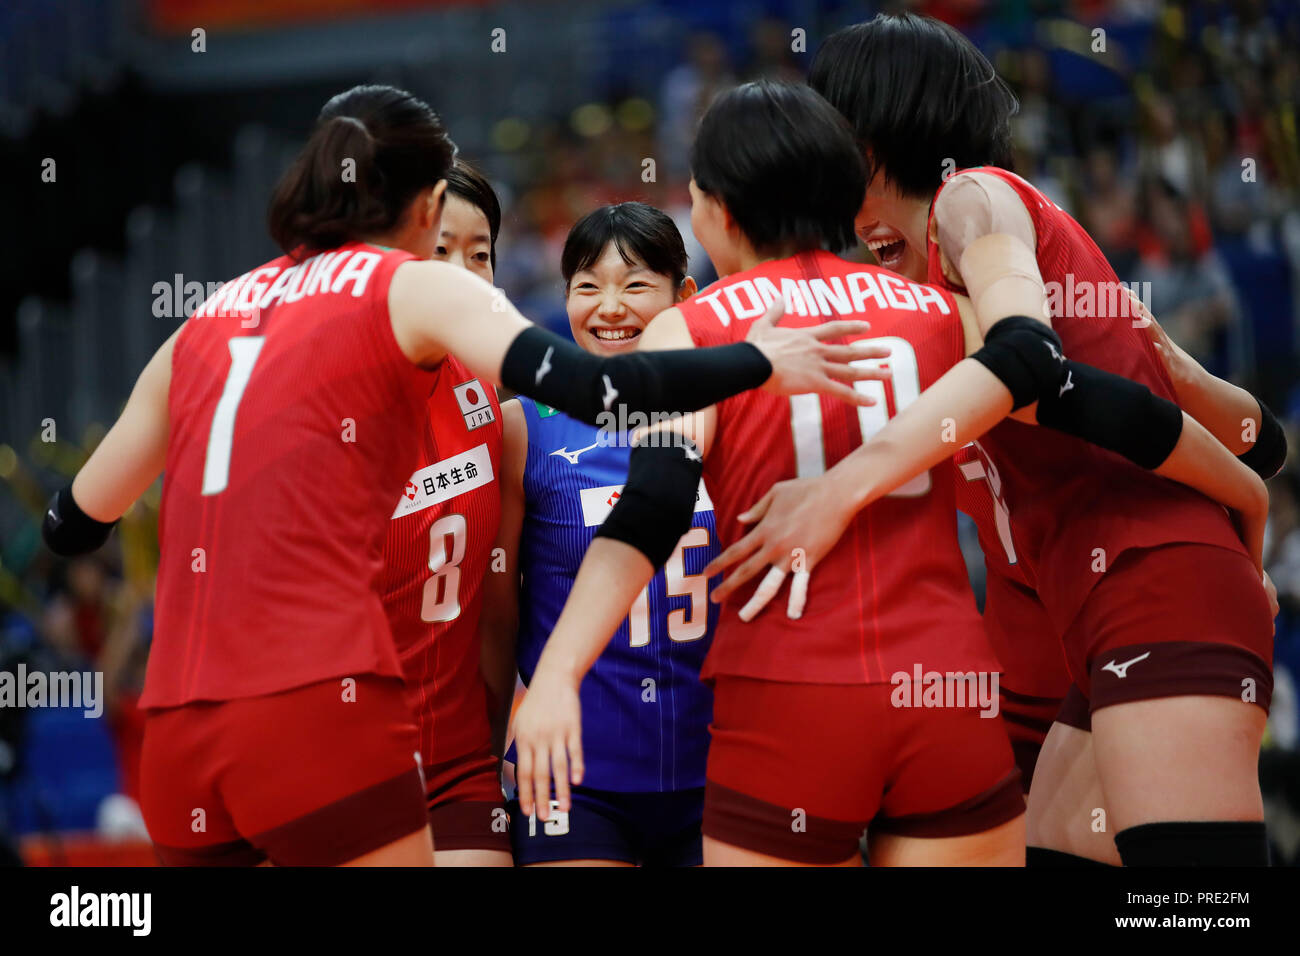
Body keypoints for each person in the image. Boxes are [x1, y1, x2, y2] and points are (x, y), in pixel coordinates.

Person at [39, 84, 881, 866]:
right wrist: (752, 360)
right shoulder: (406, 286)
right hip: (317, 710)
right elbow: (598, 388)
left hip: (179, 736)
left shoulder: (206, 321)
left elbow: (75, 521)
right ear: (428, 205)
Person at [510, 81, 1265, 866]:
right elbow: (1102, 404)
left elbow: (654, 506)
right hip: (947, 699)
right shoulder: (935, 310)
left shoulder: (693, 326)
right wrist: (1241, 483)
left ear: (718, 211)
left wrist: (559, 672)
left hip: (791, 703)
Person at [715, 13, 1284, 866]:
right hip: (1065, 620)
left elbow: (1030, 358)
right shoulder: (899, 278)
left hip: (1156, 582)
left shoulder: (972, 198)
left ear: (871, 130)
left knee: (1198, 907)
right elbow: (1256, 437)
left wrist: (1244, 489)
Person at [484, 202, 722, 866]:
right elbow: (498, 612)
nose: (609, 306)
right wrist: (489, 744)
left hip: (721, 766)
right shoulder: (522, 427)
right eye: (588, 286)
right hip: (572, 775)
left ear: (686, 296)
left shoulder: (728, 415)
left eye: (636, 284)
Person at [376, 159, 511, 866]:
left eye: (480, 254)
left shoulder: (487, 393)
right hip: (348, 764)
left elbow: (494, 603)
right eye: (441, 252)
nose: (464, 273)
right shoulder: (331, 404)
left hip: (459, 761)